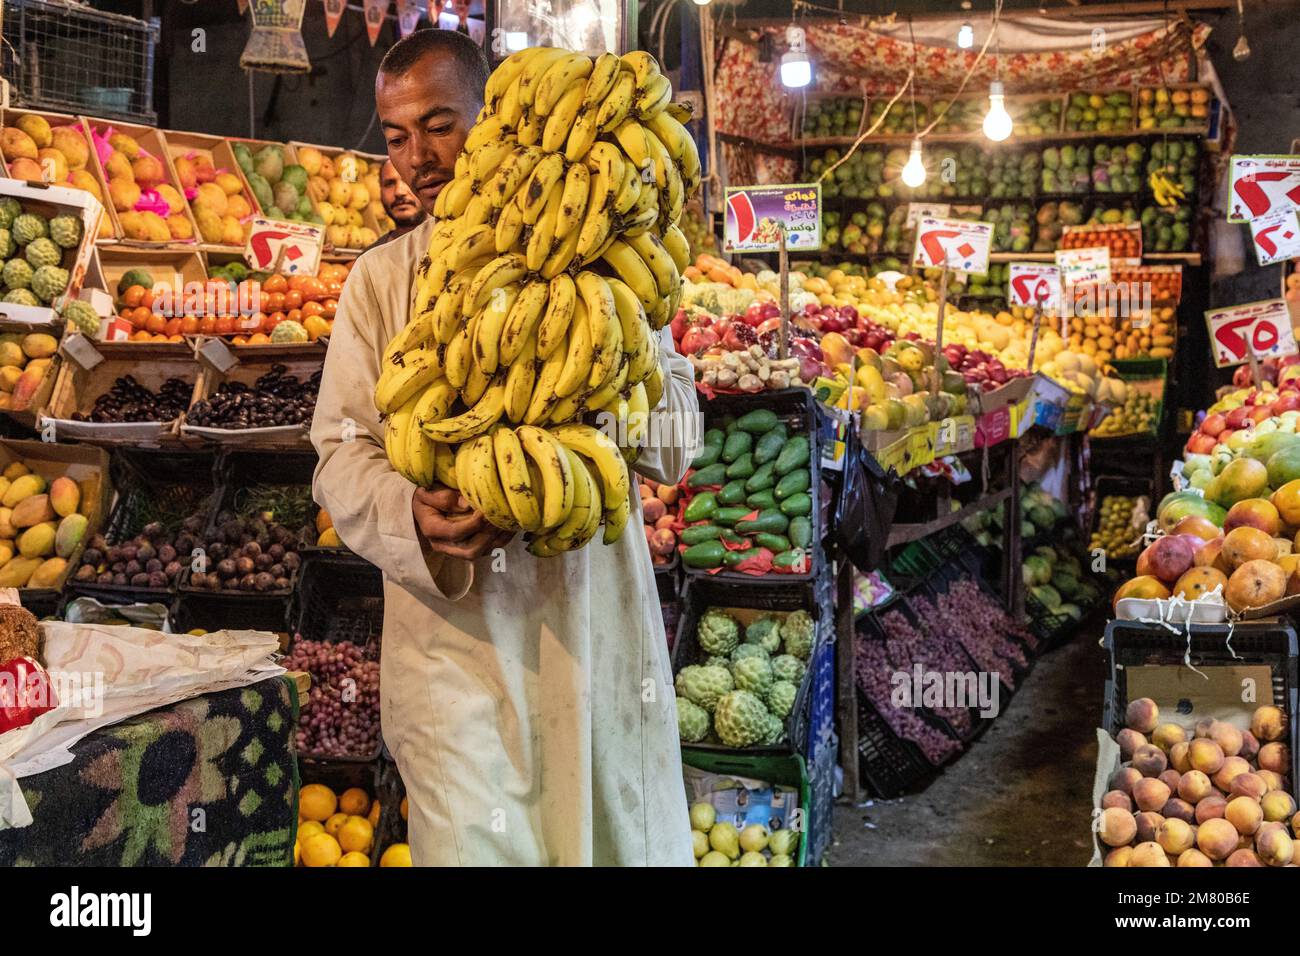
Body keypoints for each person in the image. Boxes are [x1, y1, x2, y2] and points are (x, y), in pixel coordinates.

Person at [311, 28, 699, 866]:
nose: (417, 156)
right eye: (396, 136)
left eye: (440, 124)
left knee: (611, 839)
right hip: (455, 661)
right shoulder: (379, 283)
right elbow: (339, 455)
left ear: (496, 119)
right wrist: (408, 514)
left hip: (593, 637)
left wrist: (614, 369)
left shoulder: (606, 266)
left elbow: (675, 449)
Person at [365, 159, 425, 250]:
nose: (399, 192)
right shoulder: (371, 260)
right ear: (380, 191)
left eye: (408, 180)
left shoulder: (452, 245)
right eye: (389, 184)